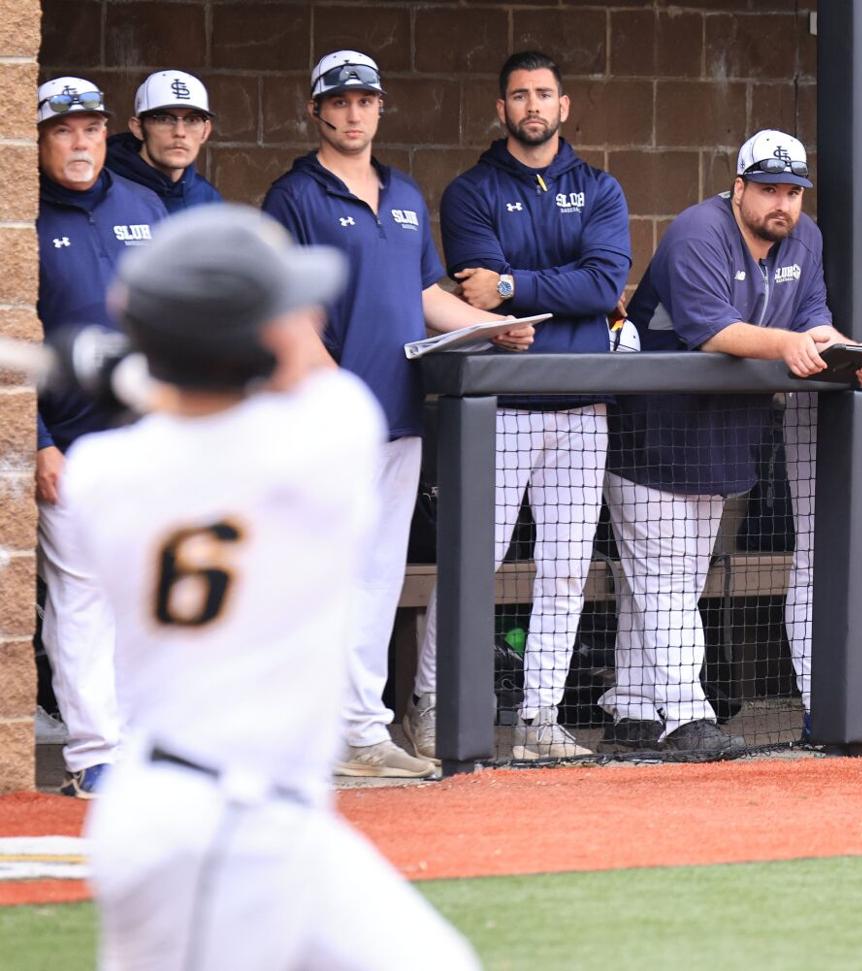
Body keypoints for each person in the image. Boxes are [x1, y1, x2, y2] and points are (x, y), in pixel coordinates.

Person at [74, 205, 478, 970]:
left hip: (250, 816)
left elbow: (176, 406)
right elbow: (302, 377)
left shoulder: (106, 473)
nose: (310, 318)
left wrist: (130, 356)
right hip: (212, 824)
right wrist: (133, 364)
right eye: (285, 309)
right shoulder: (326, 439)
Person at [263, 50, 526, 776]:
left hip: (400, 416)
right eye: (338, 102)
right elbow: (285, 309)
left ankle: (360, 733)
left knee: (378, 577)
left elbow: (425, 295)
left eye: (364, 101)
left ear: (380, 107)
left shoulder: (404, 191)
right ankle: (310, 733)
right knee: (322, 577)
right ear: (316, 111)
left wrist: (492, 327)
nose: (353, 113)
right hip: (325, 421)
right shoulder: (294, 196)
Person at [608, 129, 862, 757]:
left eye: (792, 191)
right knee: (664, 577)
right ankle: (684, 716)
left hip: (722, 431)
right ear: (738, 187)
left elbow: (813, 319)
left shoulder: (805, 237)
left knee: (672, 579)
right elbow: (712, 330)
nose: (783, 203)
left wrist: (848, 352)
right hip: (653, 425)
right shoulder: (697, 231)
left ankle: (632, 708)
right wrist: (791, 346)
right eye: (769, 189)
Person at [432, 51, 631, 758]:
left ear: (563, 105)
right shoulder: (472, 190)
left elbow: (603, 284)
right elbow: (474, 291)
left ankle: (539, 718)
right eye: (519, 95)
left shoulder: (600, 188)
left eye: (544, 94)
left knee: (566, 569)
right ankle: (434, 699)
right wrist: (529, 287)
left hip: (582, 407)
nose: (533, 105)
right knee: (474, 558)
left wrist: (514, 285)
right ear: (502, 108)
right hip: (503, 406)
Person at [33, 75, 167, 797]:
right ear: (39, 141)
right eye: (62, 130)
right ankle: (94, 753)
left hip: (147, 442)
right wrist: (39, 441)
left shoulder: (142, 205)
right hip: (71, 443)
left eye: (89, 128)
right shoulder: (21, 217)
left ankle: (140, 744)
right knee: (83, 600)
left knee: (146, 600)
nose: (79, 143)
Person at [105, 69, 222, 213]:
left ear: (205, 131)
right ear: (138, 128)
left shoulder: (207, 198)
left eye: (192, 120)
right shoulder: (102, 191)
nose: (180, 132)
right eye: (164, 119)